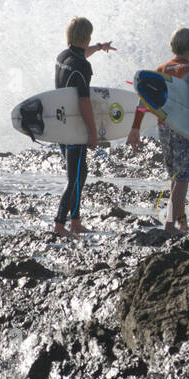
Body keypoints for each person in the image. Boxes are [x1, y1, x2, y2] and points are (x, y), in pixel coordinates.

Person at [127, 27, 189, 233]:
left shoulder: (161, 69)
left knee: (176, 176)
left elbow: (145, 99)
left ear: (172, 47)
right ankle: (170, 225)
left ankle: (182, 222)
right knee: (182, 179)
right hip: (183, 129)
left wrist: (135, 127)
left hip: (164, 128)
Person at [53, 17, 115, 237]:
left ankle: (76, 221)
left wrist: (98, 48)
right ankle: (60, 225)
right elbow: (84, 101)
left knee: (81, 172)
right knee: (75, 177)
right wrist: (92, 132)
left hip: (61, 125)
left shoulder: (64, 56)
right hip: (76, 129)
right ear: (86, 36)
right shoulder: (82, 66)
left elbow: (80, 54)